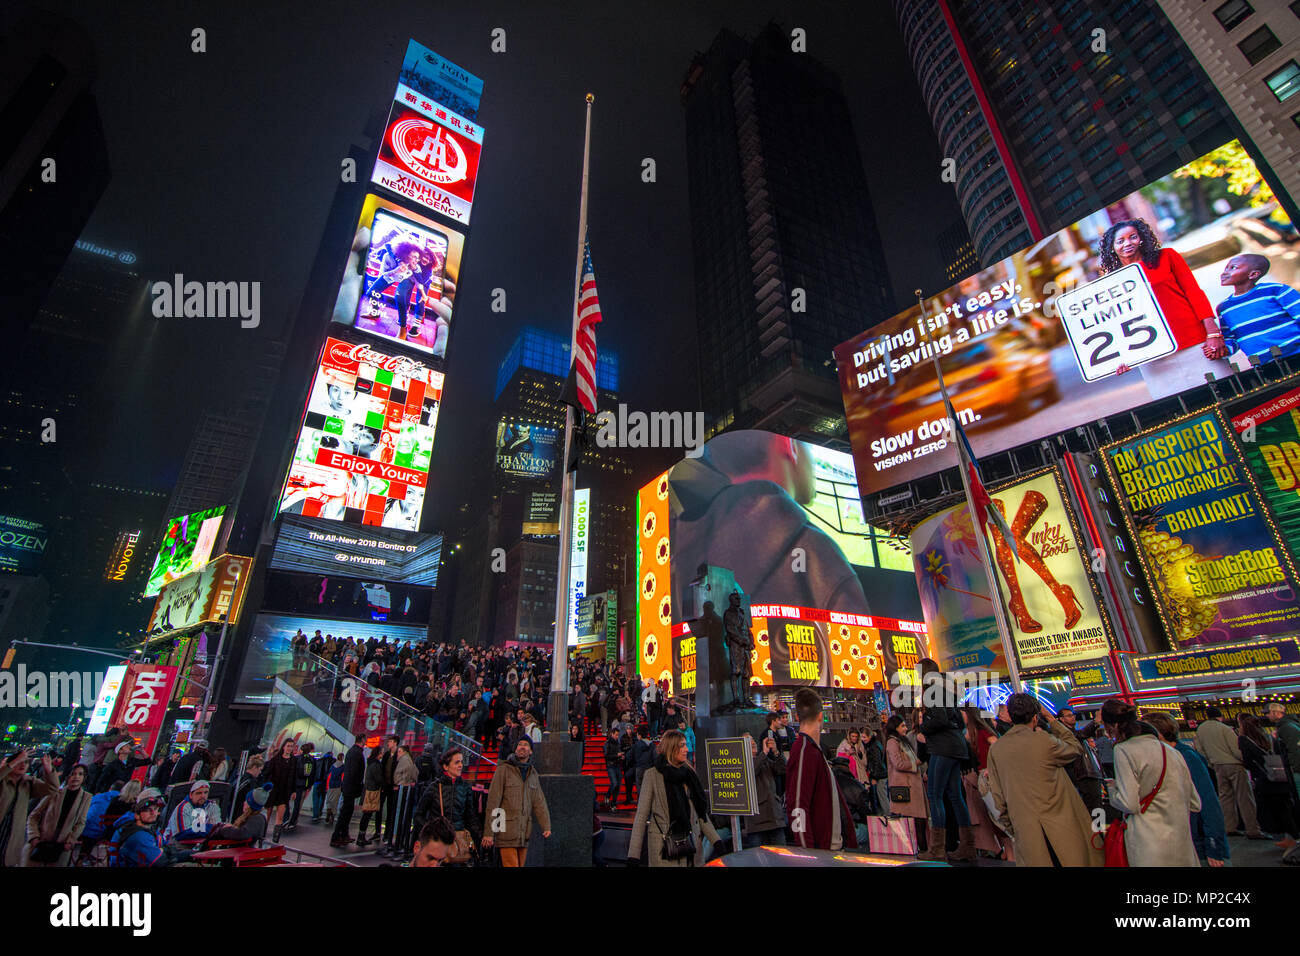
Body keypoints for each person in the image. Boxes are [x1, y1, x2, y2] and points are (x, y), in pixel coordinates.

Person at [1097, 218, 1227, 392]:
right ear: (1112, 248)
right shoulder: (1110, 282)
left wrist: (1213, 333)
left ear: (1142, 238)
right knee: (1179, 411)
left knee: (1224, 392)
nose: (1127, 243)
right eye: (1120, 241)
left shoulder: (1167, 257)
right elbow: (1113, 321)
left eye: (1133, 237)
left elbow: (1194, 293)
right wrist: (1120, 357)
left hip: (1195, 343)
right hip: (1153, 356)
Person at [986, 693, 1101, 867]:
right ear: (1035, 717)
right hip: (1062, 824)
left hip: (1024, 826)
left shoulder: (997, 749)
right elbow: (1074, 747)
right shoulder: (1044, 741)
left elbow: (997, 794)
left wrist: (1011, 826)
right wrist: (1051, 719)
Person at [1103, 698, 1200, 866]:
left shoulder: (1123, 750)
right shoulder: (1172, 751)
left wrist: (1113, 790)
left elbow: (1129, 803)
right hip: (1181, 843)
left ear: (1113, 726)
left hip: (1148, 843)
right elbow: (1195, 803)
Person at [628, 729, 722, 867]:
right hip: (664, 849)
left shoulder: (689, 774)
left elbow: (700, 813)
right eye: (682, 745)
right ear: (672, 748)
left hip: (691, 847)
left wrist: (716, 841)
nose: (686, 749)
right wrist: (633, 855)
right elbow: (641, 816)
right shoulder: (652, 775)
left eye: (686, 745)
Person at [1146, 711, 1229, 867]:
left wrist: (1213, 846)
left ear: (1158, 734)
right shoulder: (1170, 755)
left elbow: (1208, 803)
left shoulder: (1186, 757)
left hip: (1199, 845)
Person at [916, 659, 975, 861]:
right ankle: (968, 846)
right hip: (955, 746)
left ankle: (937, 848)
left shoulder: (931, 689)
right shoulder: (947, 688)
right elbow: (957, 720)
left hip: (942, 747)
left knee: (934, 794)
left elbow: (940, 719)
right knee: (955, 796)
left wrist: (923, 727)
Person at [787, 688, 859, 851]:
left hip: (828, 847)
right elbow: (797, 804)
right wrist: (808, 854)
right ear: (821, 715)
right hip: (822, 851)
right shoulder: (805, 750)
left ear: (797, 717)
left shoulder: (811, 750)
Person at [1215, 253, 1300, 364]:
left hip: (1296, 353)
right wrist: (1223, 350)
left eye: (1233, 268)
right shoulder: (1224, 308)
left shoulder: (1276, 290)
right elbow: (1232, 338)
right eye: (1226, 268)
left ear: (1253, 274)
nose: (1224, 273)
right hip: (1264, 364)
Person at [1195, 706, 1263, 839]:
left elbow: (1200, 750)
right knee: (1245, 798)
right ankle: (1252, 829)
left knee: (1225, 797)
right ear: (1220, 716)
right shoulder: (1224, 729)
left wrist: (1212, 763)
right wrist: (1245, 761)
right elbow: (1236, 749)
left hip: (1217, 766)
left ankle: (1229, 827)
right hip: (1234, 765)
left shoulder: (1200, 730)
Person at [483, 737, 551, 867]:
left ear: (530, 751)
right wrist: (489, 833)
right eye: (520, 744)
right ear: (515, 749)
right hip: (505, 830)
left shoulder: (533, 773)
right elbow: (493, 802)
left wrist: (546, 825)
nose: (522, 747)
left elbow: (539, 801)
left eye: (526, 745)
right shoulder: (503, 769)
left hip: (524, 832)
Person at [413, 746, 481, 865]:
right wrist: (430, 832)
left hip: (457, 842)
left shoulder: (465, 788)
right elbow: (419, 814)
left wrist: (479, 836)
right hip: (436, 842)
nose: (460, 765)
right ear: (446, 766)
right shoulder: (434, 787)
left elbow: (470, 816)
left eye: (461, 762)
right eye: (456, 762)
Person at [1237, 714, 1297, 848]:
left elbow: (1247, 762)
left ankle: (1290, 838)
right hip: (1280, 773)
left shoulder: (1244, 739)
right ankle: (1292, 836)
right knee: (1286, 807)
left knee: (1277, 809)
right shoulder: (1269, 736)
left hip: (1265, 778)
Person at [24, 763, 91, 866]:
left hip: (62, 846)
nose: (76, 777)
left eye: (80, 774)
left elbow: (81, 822)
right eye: (73, 774)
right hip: (41, 841)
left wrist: (70, 841)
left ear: (84, 777)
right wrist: (33, 836)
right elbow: (34, 815)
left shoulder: (86, 798)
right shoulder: (54, 792)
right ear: (68, 776)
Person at [0, 749, 59, 867]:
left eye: (26, 762)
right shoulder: (3, 780)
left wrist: (49, 771)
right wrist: (15, 761)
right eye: (21, 761)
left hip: (11, 835)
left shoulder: (28, 783)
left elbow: (52, 789)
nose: (23, 765)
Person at [884, 714, 928, 848]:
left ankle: (922, 848)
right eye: (902, 726)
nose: (905, 728)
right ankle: (920, 849)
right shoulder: (893, 742)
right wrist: (916, 763)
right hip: (905, 788)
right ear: (895, 727)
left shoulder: (902, 741)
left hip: (911, 787)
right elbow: (898, 763)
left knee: (919, 822)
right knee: (915, 821)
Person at [1057, 706, 1105, 815]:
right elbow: (1080, 735)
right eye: (1069, 716)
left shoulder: (1072, 733)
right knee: (1093, 806)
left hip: (1088, 773)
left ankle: (1098, 828)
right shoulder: (1065, 734)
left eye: (1073, 715)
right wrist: (1095, 722)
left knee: (1097, 805)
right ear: (1061, 719)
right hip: (1082, 774)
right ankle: (1096, 829)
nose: (1073, 717)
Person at [743, 734, 787, 848]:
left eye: (753, 740)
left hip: (775, 818)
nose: (753, 742)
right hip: (757, 823)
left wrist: (776, 752)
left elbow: (782, 769)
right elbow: (750, 773)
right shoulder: (743, 763)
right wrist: (764, 753)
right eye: (748, 740)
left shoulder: (764, 760)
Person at [112, 789, 167, 867]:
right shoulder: (136, 833)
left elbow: (164, 845)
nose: (154, 813)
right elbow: (159, 861)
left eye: (156, 809)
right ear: (137, 815)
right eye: (148, 810)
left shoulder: (149, 828)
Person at [330, 734, 367, 848]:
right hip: (351, 787)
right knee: (345, 813)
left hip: (348, 786)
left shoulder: (351, 752)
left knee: (347, 812)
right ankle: (337, 836)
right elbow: (354, 772)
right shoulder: (357, 753)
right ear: (362, 740)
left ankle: (343, 834)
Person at [163, 779, 224, 844]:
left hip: (200, 842)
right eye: (199, 793)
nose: (203, 796)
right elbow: (182, 834)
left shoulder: (212, 806)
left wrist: (210, 829)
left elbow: (216, 828)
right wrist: (209, 829)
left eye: (206, 792)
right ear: (191, 795)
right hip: (174, 844)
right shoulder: (183, 807)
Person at [263, 740, 298, 843]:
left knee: (280, 816)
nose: (289, 748)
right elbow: (268, 774)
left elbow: (294, 777)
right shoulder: (275, 759)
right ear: (284, 747)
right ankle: (262, 834)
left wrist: (294, 791)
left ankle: (275, 840)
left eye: (291, 746)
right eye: (288, 746)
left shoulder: (294, 761)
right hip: (273, 789)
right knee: (267, 813)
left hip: (284, 790)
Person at [356, 747, 386, 847]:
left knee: (366, 815)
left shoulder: (370, 763)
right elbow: (378, 779)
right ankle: (361, 837)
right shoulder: (376, 765)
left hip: (368, 790)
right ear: (378, 754)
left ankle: (361, 836)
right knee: (367, 815)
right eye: (381, 753)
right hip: (372, 792)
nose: (382, 755)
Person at [603, 727, 623, 810]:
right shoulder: (607, 743)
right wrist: (617, 755)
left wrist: (621, 757)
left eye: (618, 735)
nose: (617, 737)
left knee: (618, 785)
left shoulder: (618, 743)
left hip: (617, 765)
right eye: (616, 735)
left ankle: (613, 803)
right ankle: (607, 795)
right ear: (612, 734)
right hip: (610, 765)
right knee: (614, 783)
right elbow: (606, 756)